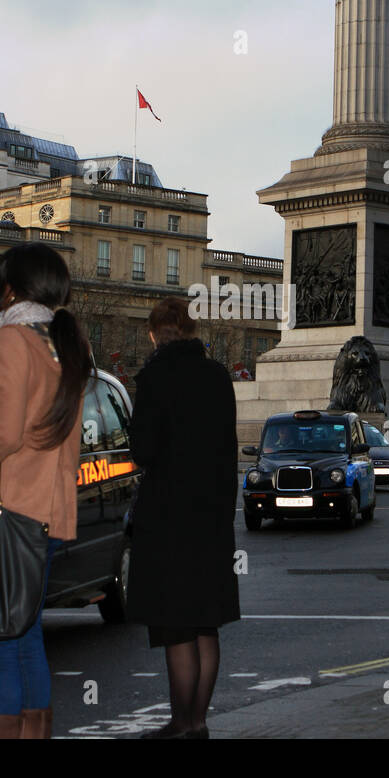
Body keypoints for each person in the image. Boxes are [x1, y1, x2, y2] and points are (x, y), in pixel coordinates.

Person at [0, 243, 90, 739]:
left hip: (2, 509)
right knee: (25, 635)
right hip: (46, 513)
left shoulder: (11, 339)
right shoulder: (64, 343)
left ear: (9, 286)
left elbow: (7, 434)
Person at [127, 297, 241, 738]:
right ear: (191, 331)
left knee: (176, 624)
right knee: (204, 621)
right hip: (210, 517)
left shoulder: (155, 376)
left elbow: (144, 451)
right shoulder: (217, 376)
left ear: (155, 333)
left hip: (169, 516)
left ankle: (181, 722)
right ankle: (199, 720)